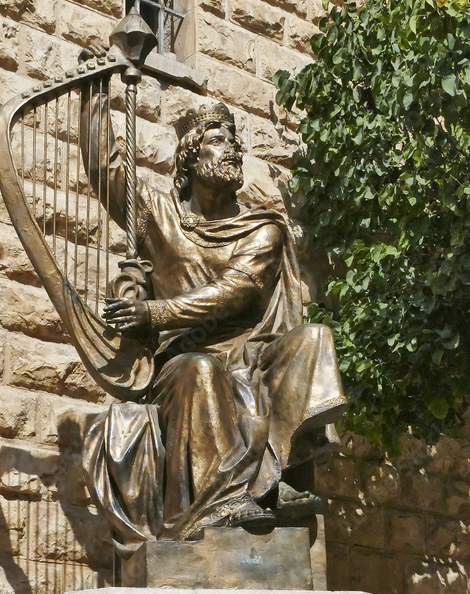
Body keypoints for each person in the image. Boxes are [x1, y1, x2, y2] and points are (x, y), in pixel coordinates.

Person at [81, 93, 346, 556]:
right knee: (199, 369)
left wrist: (155, 312)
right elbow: (108, 175)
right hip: (180, 368)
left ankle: (280, 472)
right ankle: (218, 506)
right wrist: (94, 99)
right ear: (190, 156)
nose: (232, 150)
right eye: (218, 140)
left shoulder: (262, 228)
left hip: (252, 360)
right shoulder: (158, 216)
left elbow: (236, 290)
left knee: (316, 338)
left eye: (234, 141)